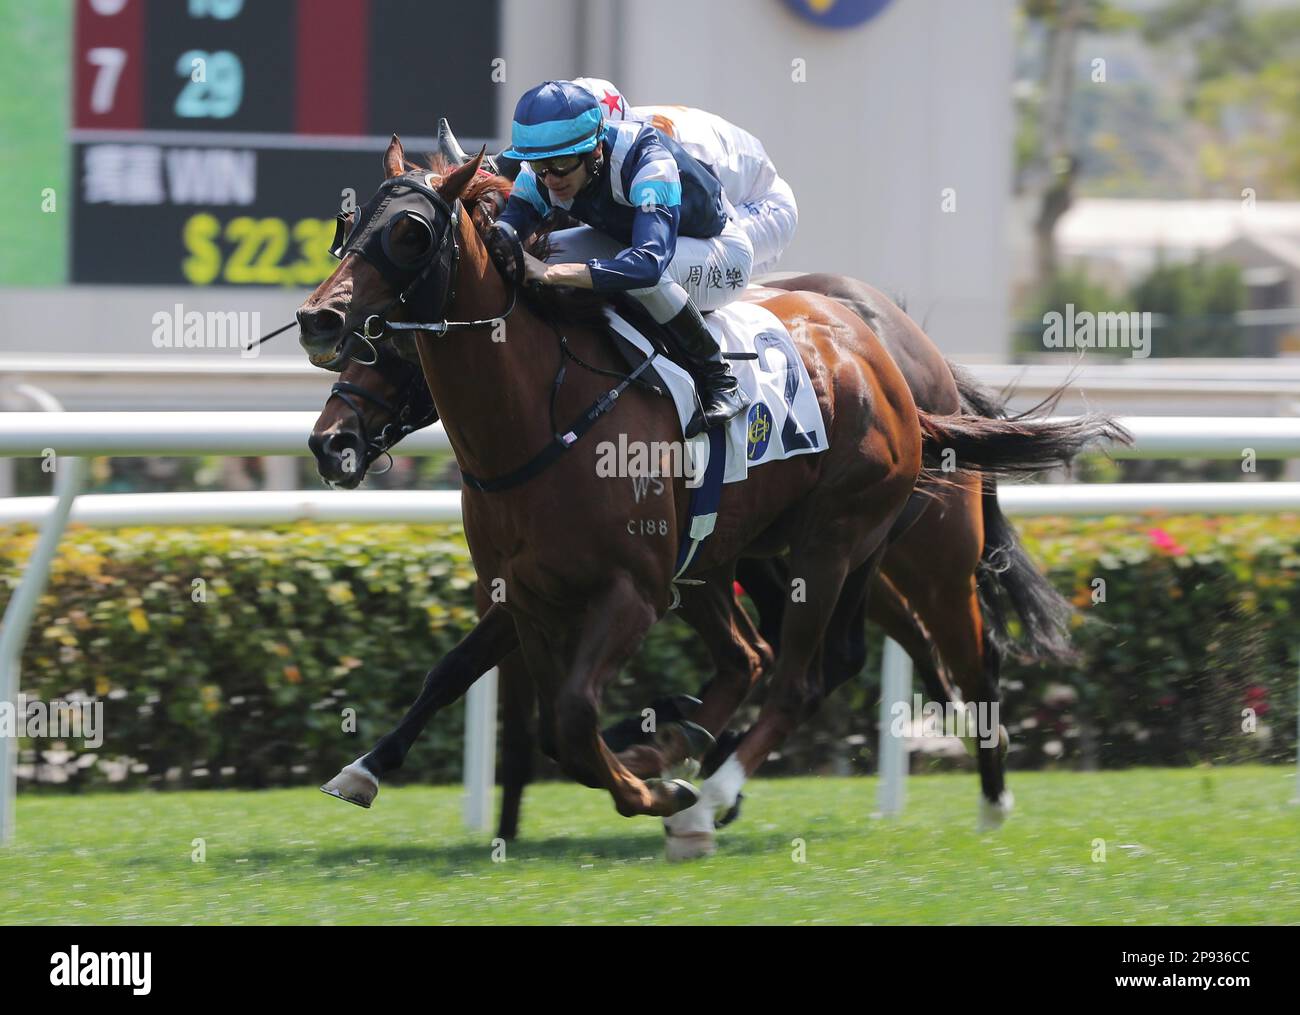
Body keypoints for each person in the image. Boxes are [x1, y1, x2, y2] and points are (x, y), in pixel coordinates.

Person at [494, 80, 750, 435]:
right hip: (631, 243)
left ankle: (720, 379)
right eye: (539, 166)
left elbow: (647, 264)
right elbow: (508, 229)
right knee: (547, 250)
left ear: (595, 151)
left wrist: (553, 275)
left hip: (719, 252)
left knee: (636, 278)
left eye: (563, 163)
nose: (550, 178)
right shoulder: (546, 171)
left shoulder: (648, 162)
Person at [569, 77, 798, 275]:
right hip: (732, 184)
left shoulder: (668, 153)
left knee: (654, 258)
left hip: (758, 205)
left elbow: (714, 216)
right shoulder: (620, 125)